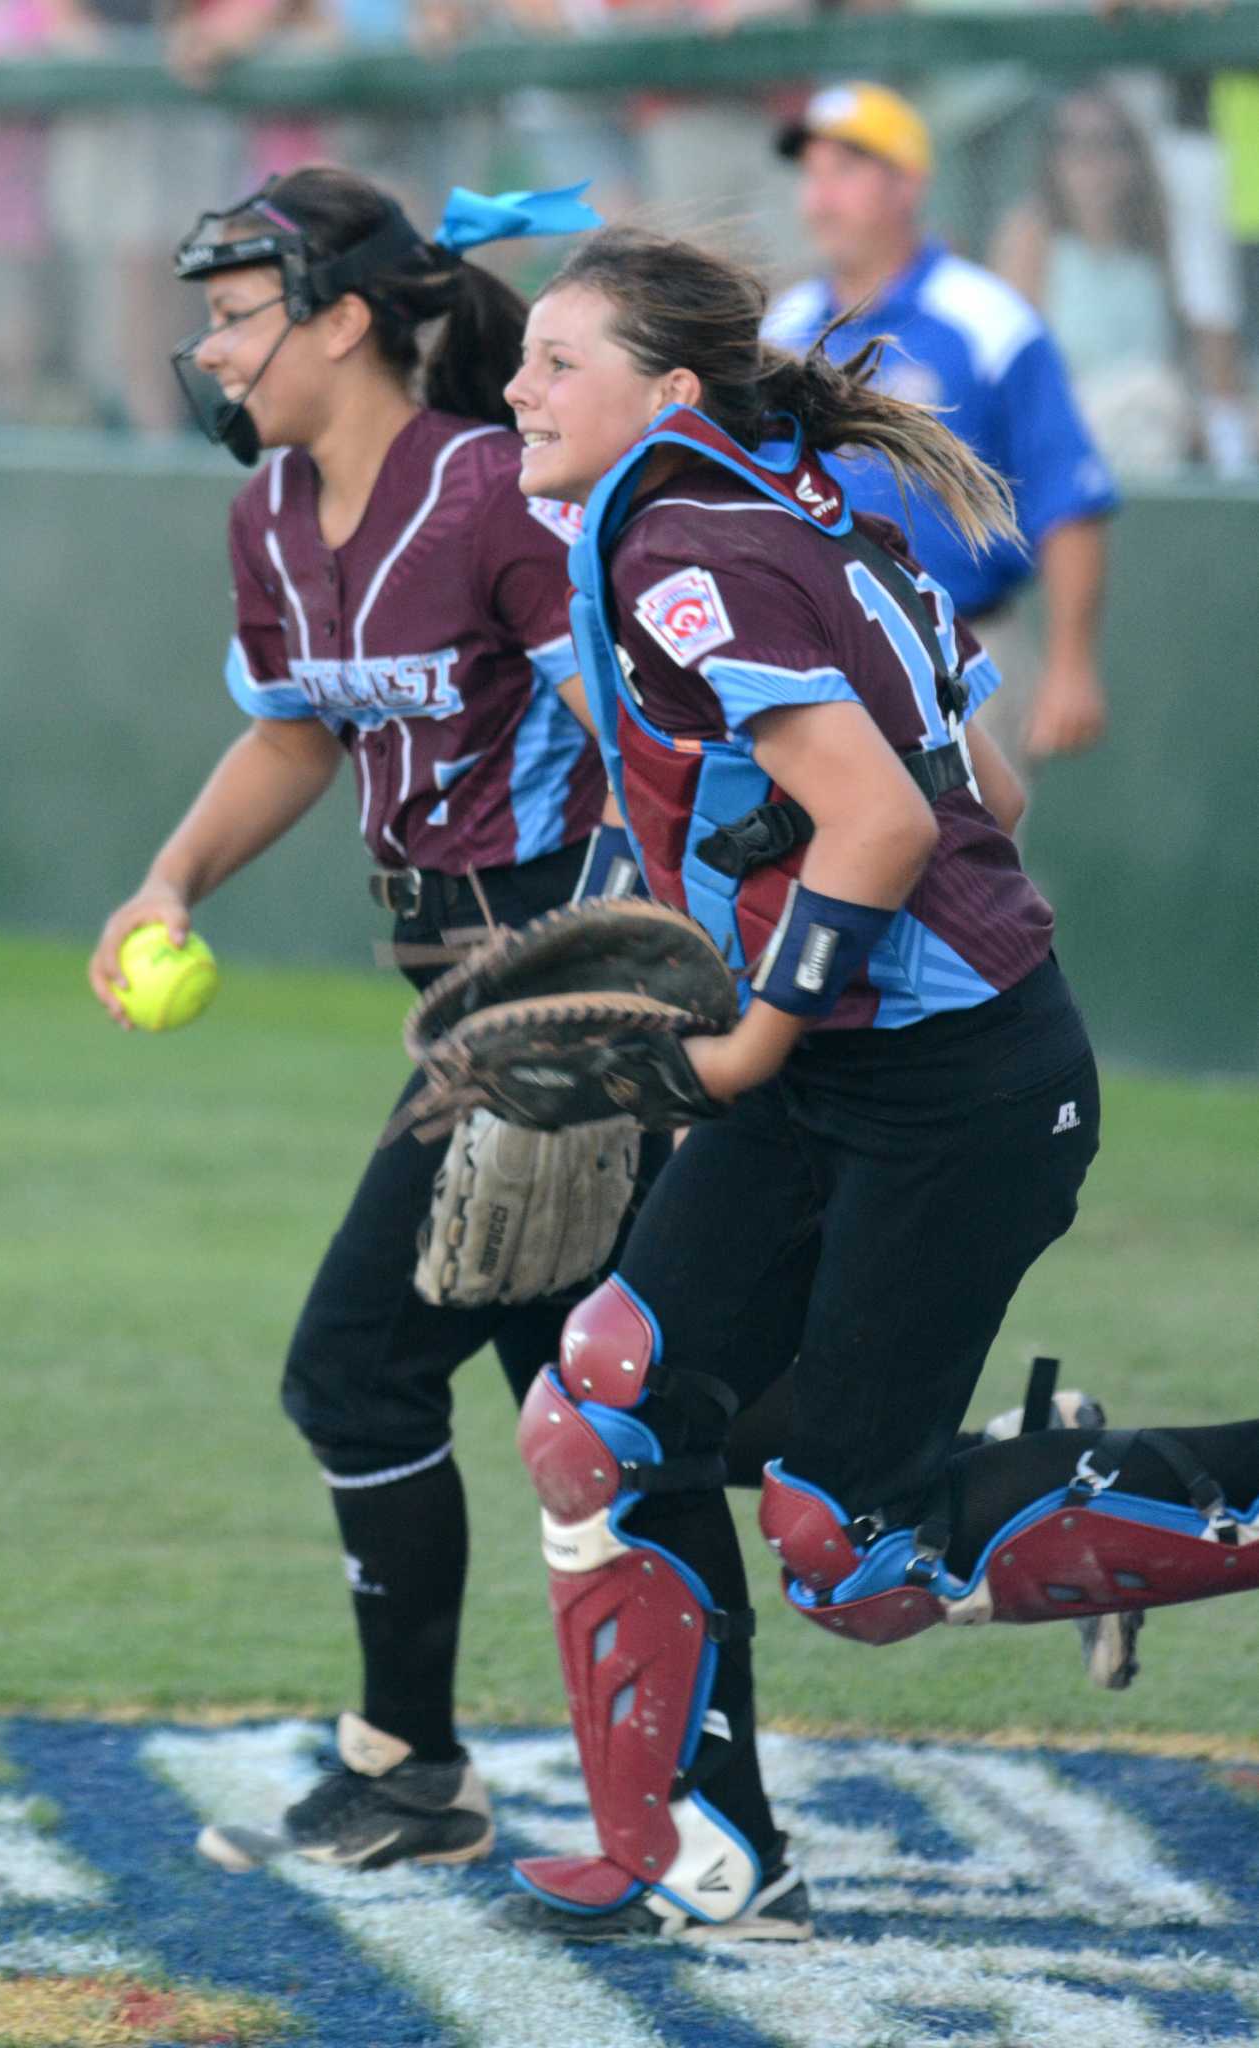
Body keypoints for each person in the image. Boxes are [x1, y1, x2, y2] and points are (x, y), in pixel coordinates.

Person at [493, 221, 1259, 1944]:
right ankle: (703, 1853)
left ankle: (1079, 1488)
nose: (518, 384)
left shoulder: (683, 546)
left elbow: (901, 817)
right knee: (598, 1411)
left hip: (954, 1092)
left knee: (861, 1555)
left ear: (667, 392)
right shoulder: (792, 516)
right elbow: (987, 784)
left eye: (557, 360)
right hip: (864, 1055)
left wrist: (749, 1032)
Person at [88, 166, 629, 1873]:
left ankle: (416, 1765)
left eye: (238, 310)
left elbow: (631, 733)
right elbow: (297, 735)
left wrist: (606, 991)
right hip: (450, 995)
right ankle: (681, 1791)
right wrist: (169, 878)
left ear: (341, 320)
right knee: (605, 1415)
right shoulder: (268, 516)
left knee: (358, 1366)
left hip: (554, 991)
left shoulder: (491, 491)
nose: (211, 346)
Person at [763, 81, 1117, 774]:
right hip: (815, 667)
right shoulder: (780, 330)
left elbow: (1067, 496)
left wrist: (1072, 665)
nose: (820, 196)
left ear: (909, 185)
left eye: (845, 170)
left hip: (965, 655)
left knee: (975, 872)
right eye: (811, 174)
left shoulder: (988, 319)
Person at [989, 87, 1193, 474]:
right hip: (1063, 433)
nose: (1087, 159)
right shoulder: (1032, 235)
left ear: (1133, 157)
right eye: (1070, 142)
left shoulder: (1156, 242)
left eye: (1104, 143)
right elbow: (1011, 373)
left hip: (1153, 438)